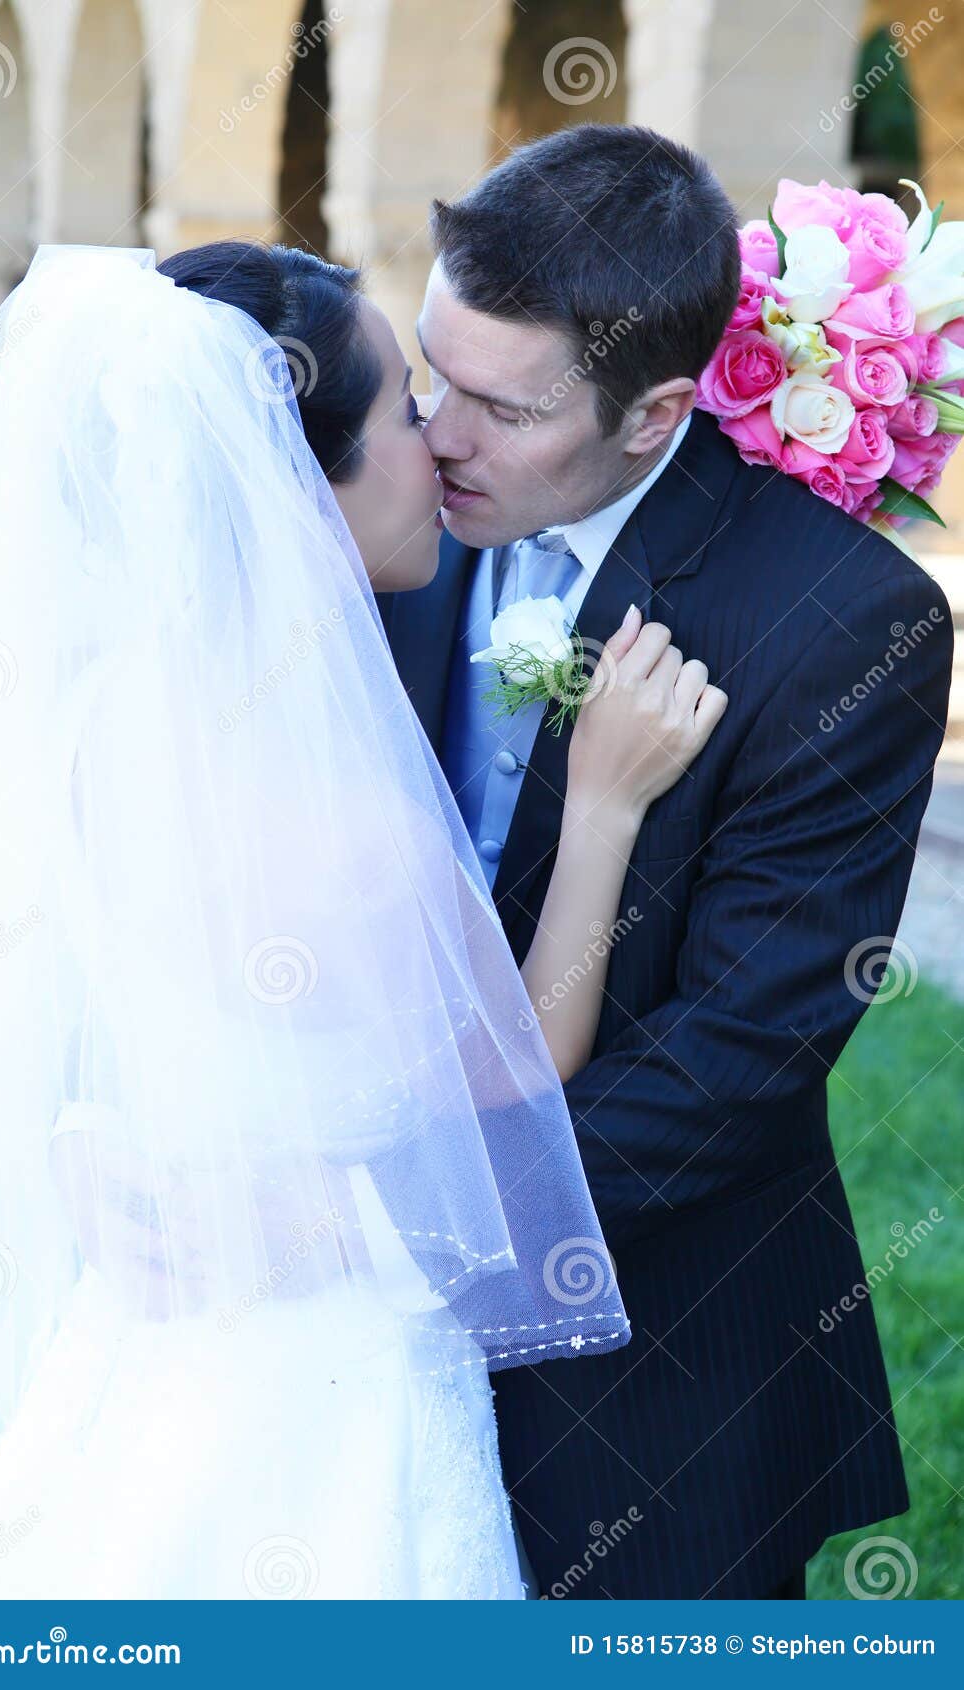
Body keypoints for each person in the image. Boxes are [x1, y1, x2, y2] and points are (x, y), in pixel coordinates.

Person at [0, 239, 723, 1600]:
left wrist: (89, 1140)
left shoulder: (106, 711)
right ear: (295, 480)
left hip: (152, 1342)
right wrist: (603, 808)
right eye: (405, 407)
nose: (440, 445)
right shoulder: (330, 795)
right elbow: (514, 1058)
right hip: (324, 1375)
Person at [378, 123, 953, 1600]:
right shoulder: (379, 526)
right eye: (435, 371)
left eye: (500, 409)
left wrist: (433, 1222)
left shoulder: (839, 624)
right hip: (348, 1352)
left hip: (657, 1375)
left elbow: (749, 1049)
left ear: (656, 415)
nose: (439, 435)